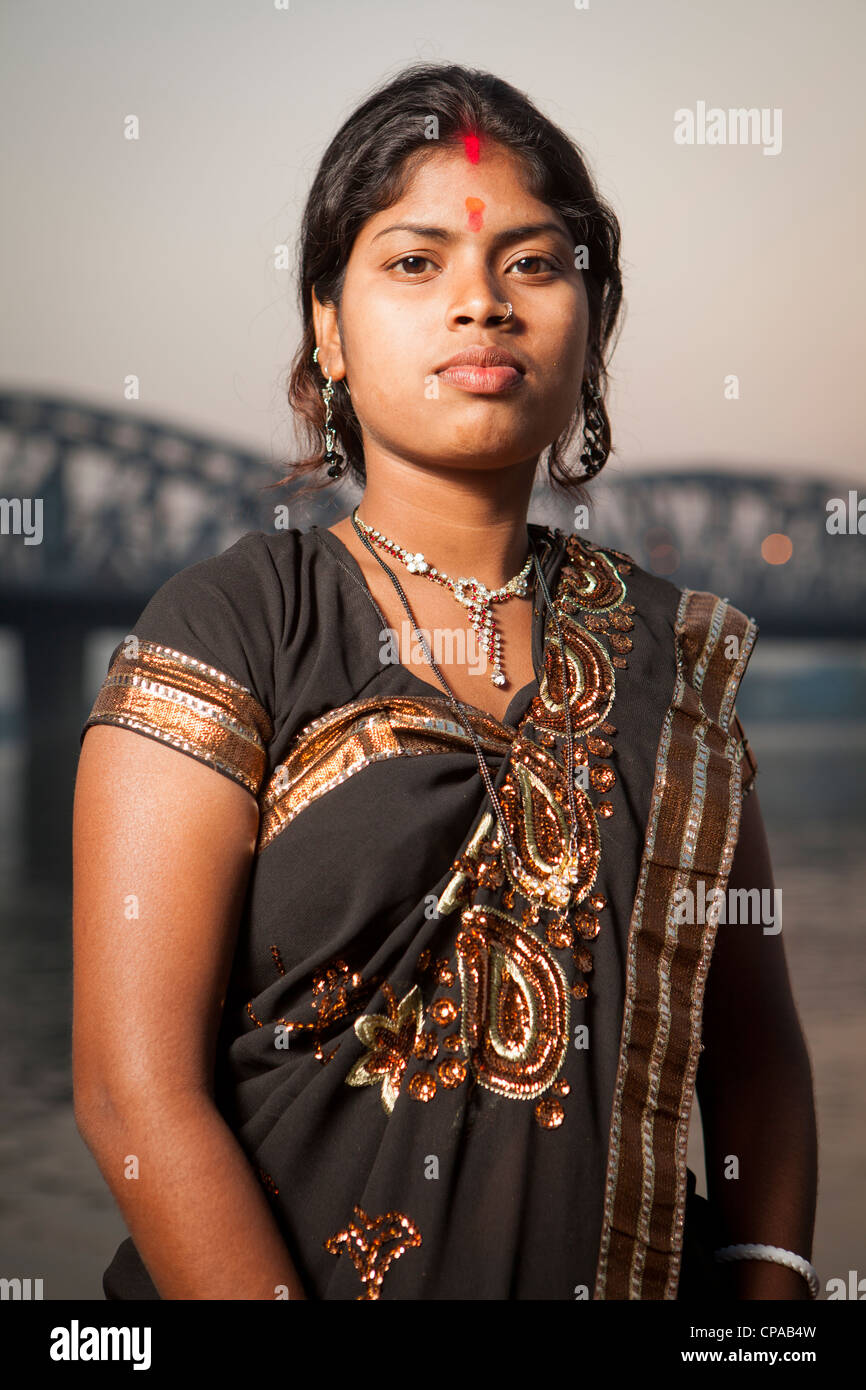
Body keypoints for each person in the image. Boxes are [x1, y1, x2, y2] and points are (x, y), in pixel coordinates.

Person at [72, 62, 817, 1301]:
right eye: (414, 264)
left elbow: (752, 1058)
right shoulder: (236, 624)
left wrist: (769, 1299)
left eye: (532, 263)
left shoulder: (672, 656)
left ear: (591, 322)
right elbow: (130, 1088)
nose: (480, 303)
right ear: (327, 327)